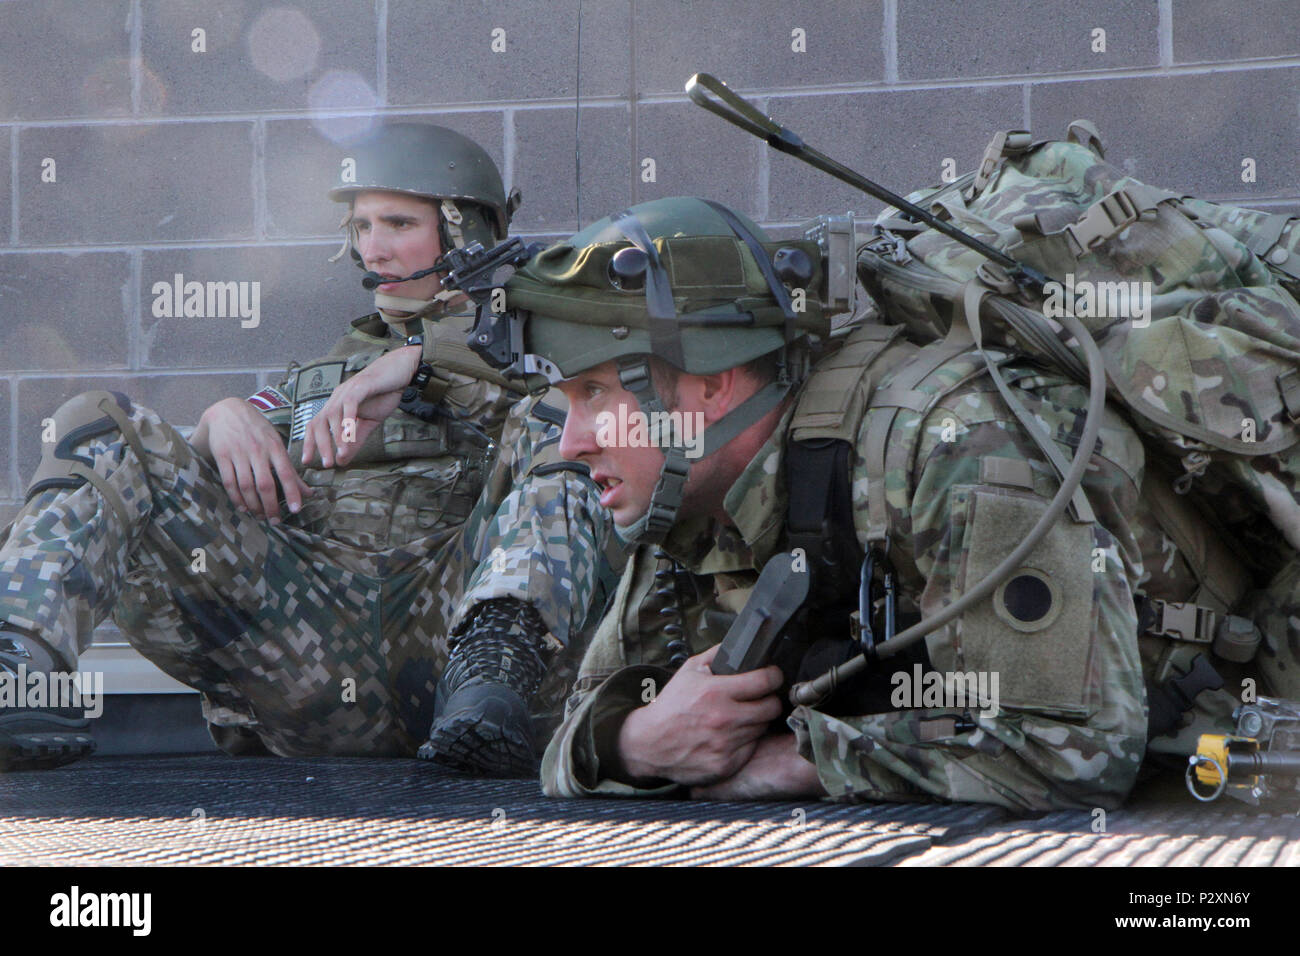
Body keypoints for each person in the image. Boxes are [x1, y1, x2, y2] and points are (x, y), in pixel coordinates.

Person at [481, 196, 1278, 811]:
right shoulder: (690, 494)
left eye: (593, 395)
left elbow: (1070, 750)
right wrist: (635, 742)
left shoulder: (950, 442)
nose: (570, 442)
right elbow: (568, 727)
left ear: (708, 383)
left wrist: (796, 762)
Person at [0, 122, 610, 777]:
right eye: (361, 226)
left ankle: (495, 666)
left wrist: (422, 355)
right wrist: (218, 422)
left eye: (398, 223)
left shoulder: (548, 347)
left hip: (463, 661)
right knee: (96, 423)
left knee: (574, 418)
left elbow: (620, 401)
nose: (373, 248)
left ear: (465, 231)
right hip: (305, 651)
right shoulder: (326, 371)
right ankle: (22, 672)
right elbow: (168, 482)